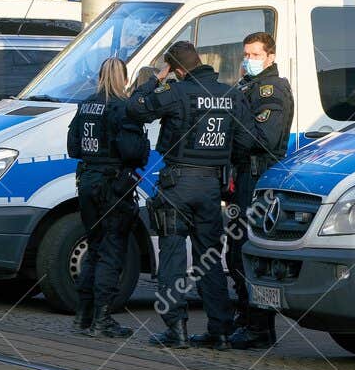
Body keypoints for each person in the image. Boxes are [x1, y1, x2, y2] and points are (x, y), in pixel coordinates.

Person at [127, 41, 240, 349]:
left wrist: (154, 81)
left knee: (173, 256)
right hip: (211, 187)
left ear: (176, 69)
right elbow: (244, 140)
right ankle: (220, 331)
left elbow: (135, 107)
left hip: (178, 185)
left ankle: (176, 328)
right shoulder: (231, 94)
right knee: (209, 259)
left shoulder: (176, 92)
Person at [65, 58, 149, 338]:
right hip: (112, 187)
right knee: (112, 253)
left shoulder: (86, 104)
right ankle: (102, 320)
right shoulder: (122, 107)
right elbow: (133, 153)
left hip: (87, 183)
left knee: (95, 248)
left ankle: (82, 316)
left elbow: (73, 147)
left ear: (100, 76)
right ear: (123, 79)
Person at [225, 31, 293, 350]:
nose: (248, 61)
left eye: (255, 55)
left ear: (270, 57)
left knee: (248, 252)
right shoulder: (249, 87)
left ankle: (259, 327)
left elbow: (261, 138)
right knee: (235, 251)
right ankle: (246, 317)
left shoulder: (270, 89)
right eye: (246, 55)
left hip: (258, 177)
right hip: (245, 176)